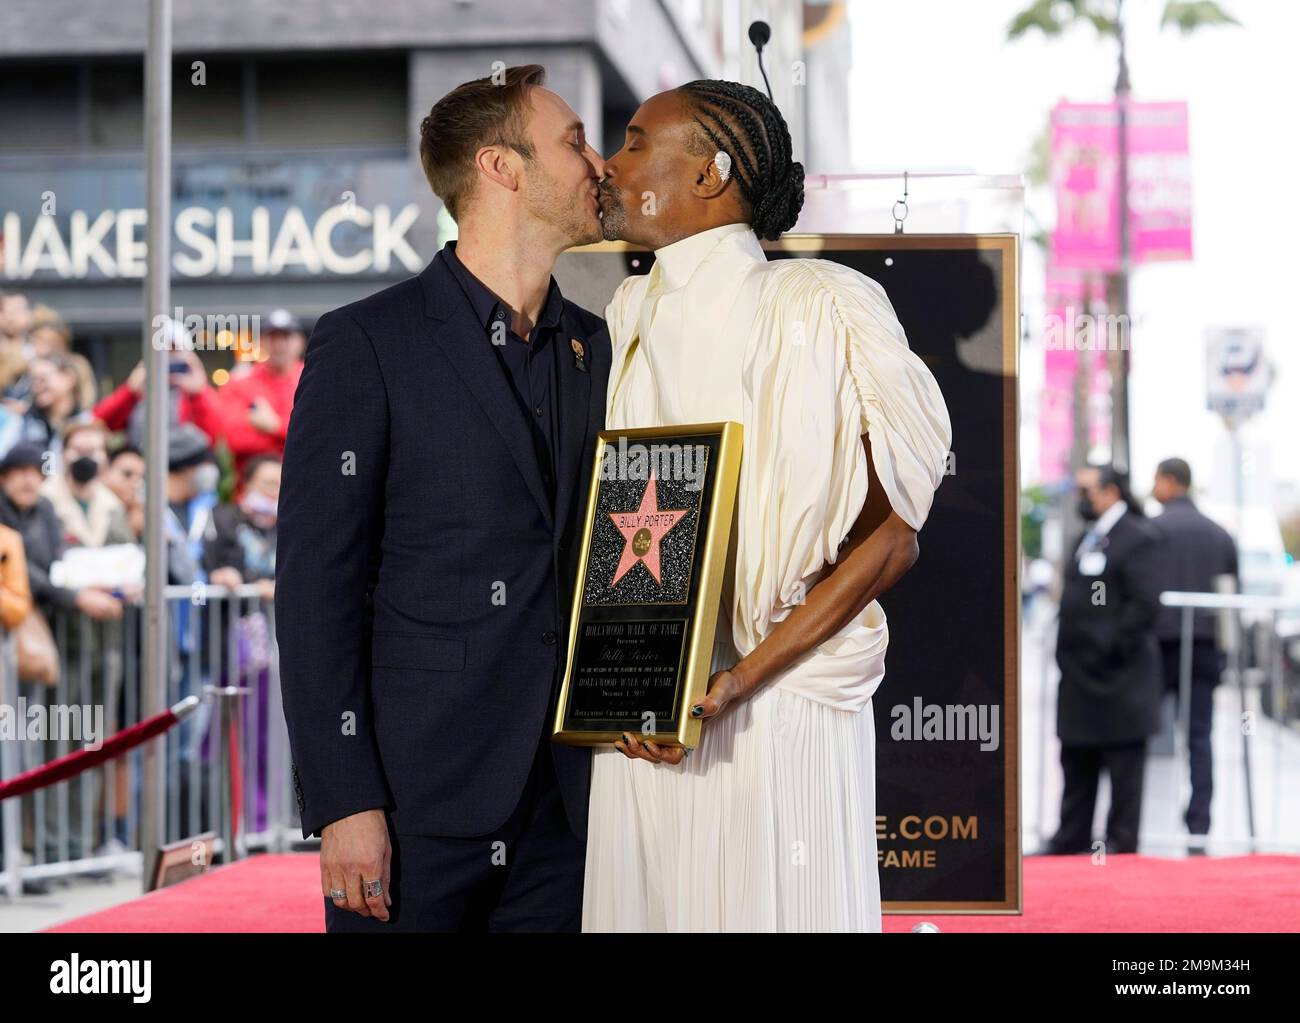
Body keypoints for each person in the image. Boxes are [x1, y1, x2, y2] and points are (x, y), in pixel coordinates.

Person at [586, 80, 952, 931]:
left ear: (712, 174)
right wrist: (632, 687)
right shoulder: (626, 310)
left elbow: (893, 538)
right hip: (642, 719)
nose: (612, 163)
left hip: (777, 703)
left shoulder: (821, 303)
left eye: (637, 142)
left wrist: (735, 682)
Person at [277, 64, 609, 932]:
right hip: (414, 813)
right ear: (501, 167)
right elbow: (316, 593)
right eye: (574, 142)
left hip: (574, 812)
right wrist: (344, 801)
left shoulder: (600, 348)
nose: (599, 164)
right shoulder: (367, 344)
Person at [1045, 464, 1163, 856]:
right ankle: (1071, 838)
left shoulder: (1138, 537)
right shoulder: (1089, 537)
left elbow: (1143, 604)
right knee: (1076, 760)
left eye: (1086, 490)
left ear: (1111, 492)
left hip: (1119, 677)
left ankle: (1120, 842)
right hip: (1080, 677)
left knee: (1124, 764)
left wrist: (1109, 647)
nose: (1081, 498)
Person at [1150, 456, 1238, 850]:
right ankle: (1198, 825)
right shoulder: (1220, 535)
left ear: (1170, 482)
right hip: (1204, 646)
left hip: (1156, 646)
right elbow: (1229, 599)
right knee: (1200, 737)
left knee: (1137, 734)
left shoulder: (1151, 531)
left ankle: (1132, 823)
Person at [216, 308, 303, 490]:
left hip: (304, 488)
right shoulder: (240, 383)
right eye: (273, 338)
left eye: (285, 338)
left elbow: (320, 437)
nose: (279, 345)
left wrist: (274, 426)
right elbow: (236, 439)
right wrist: (292, 436)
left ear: (299, 342)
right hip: (251, 495)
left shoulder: (315, 378)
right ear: (262, 342)